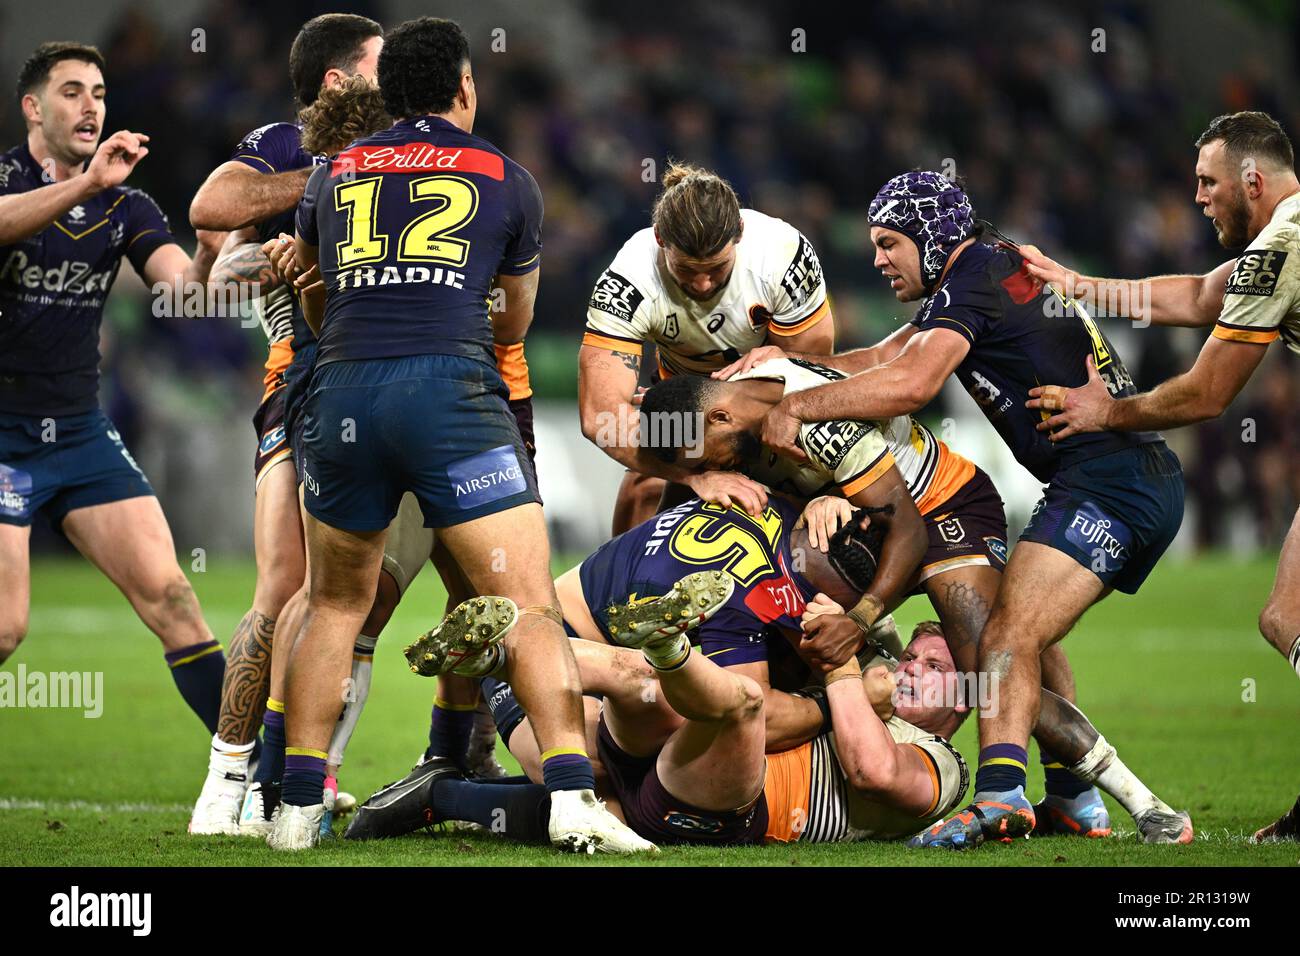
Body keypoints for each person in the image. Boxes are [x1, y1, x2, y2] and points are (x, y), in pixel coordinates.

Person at [267, 17, 650, 854]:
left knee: (336, 605)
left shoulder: (331, 173)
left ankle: (295, 807)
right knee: (527, 607)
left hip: (341, 398)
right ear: (465, 87)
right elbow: (513, 321)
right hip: (452, 396)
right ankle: (574, 800)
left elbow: (317, 303)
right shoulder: (508, 178)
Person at [724, 171, 1193, 847]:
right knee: (1031, 644)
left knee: (1004, 643)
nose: (879, 259)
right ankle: (1071, 798)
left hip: (1108, 481)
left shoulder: (974, 276)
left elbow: (911, 382)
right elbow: (891, 354)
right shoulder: (979, 272)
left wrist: (796, 402)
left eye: (890, 243)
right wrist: (802, 365)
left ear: (930, 235)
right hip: (1115, 477)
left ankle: (1006, 797)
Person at [641, 357, 1185, 840]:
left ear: (717, 419)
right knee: (782, 622)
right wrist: (699, 481)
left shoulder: (815, 422)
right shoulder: (724, 411)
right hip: (865, 522)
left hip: (939, 510)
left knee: (989, 663)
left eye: (701, 459)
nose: (705, 469)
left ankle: (1142, 803)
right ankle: (1071, 797)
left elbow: (909, 531)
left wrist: (861, 619)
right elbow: (657, 465)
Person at [1021, 111, 1300, 843]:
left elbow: (1208, 395)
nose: (1199, 197)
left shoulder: (1282, 245)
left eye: (1209, 183)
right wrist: (1081, 285)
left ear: (1252, 180)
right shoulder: (1288, 237)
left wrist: (1108, 412)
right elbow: (1199, 298)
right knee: (1287, 618)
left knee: (1292, 618)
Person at [184, 11, 384, 836]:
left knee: (362, 606)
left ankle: (298, 778)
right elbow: (213, 213)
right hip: (302, 381)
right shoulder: (285, 145)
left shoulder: (411, 145)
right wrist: (318, 189)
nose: (395, 73)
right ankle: (225, 784)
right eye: (380, 63)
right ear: (338, 79)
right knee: (285, 586)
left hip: (392, 385)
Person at [0, 42, 223, 748]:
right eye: (71, 91)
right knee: (5, 627)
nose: (91, 105)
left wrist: (211, 252)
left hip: (77, 432)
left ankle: (252, 775)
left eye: (98, 92)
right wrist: (84, 184)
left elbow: (182, 294)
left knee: (174, 597)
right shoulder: (9, 179)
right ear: (33, 108)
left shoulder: (126, 205)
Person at [347, 617, 970, 847]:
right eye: (912, 655)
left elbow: (873, 772)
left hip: (724, 806)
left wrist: (842, 669)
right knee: (620, 694)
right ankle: (503, 656)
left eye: (936, 668)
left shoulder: (941, 765)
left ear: (965, 704)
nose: (912, 670)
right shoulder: (872, 699)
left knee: (743, 707)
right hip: (668, 761)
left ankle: (507, 669)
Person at [580, 162, 834, 533]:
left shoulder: (782, 255)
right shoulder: (628, 283)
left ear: (740, 235)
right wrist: (693, 477)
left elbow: (817, 370)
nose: (701, 285)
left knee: (798, 495)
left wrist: (785, 361)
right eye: (686, 270)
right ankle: (621, 590)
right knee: (643, 489)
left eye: (716, 269)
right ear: (660, 240)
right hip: (683, 408)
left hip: (764, 395)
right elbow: (599, 417)